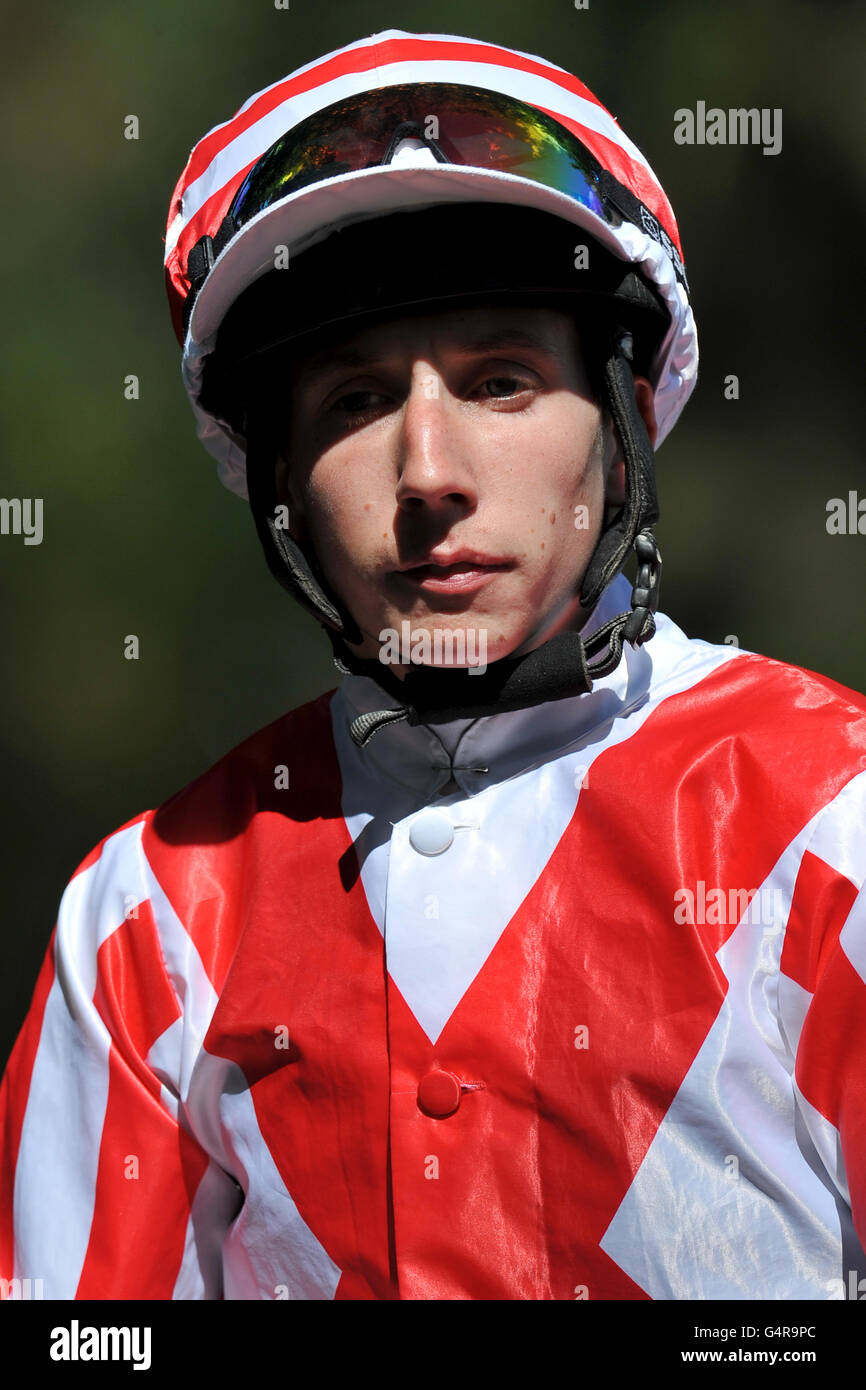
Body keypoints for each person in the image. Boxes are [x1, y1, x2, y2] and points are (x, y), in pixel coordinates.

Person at [2, 27, 865, 1302]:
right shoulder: (144, 920)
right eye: (352, 404)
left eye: (500, 382)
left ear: (621, 430)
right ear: (279, 476)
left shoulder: (834, 821)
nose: (428, 476)